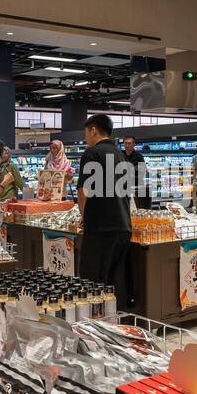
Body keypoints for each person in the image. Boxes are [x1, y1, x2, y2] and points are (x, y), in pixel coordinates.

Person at [77, 114, 131, 307]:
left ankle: (94, 325)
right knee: (116, 281)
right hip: (123, 226)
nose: (86, 138)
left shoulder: (92, 153)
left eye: (86, 132)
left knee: (93, 282)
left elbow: (83, 191)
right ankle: (118, 323)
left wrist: (84, 216)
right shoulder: (122, 155)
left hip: (101, 227)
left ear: (93, 130)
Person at [122, 136, 149, 207]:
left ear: (134, 145)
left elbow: (141, 173)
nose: (127, 145)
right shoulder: (120, 155)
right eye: (125, 143)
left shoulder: (139, 157)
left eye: (129, 143)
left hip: (137, 188)